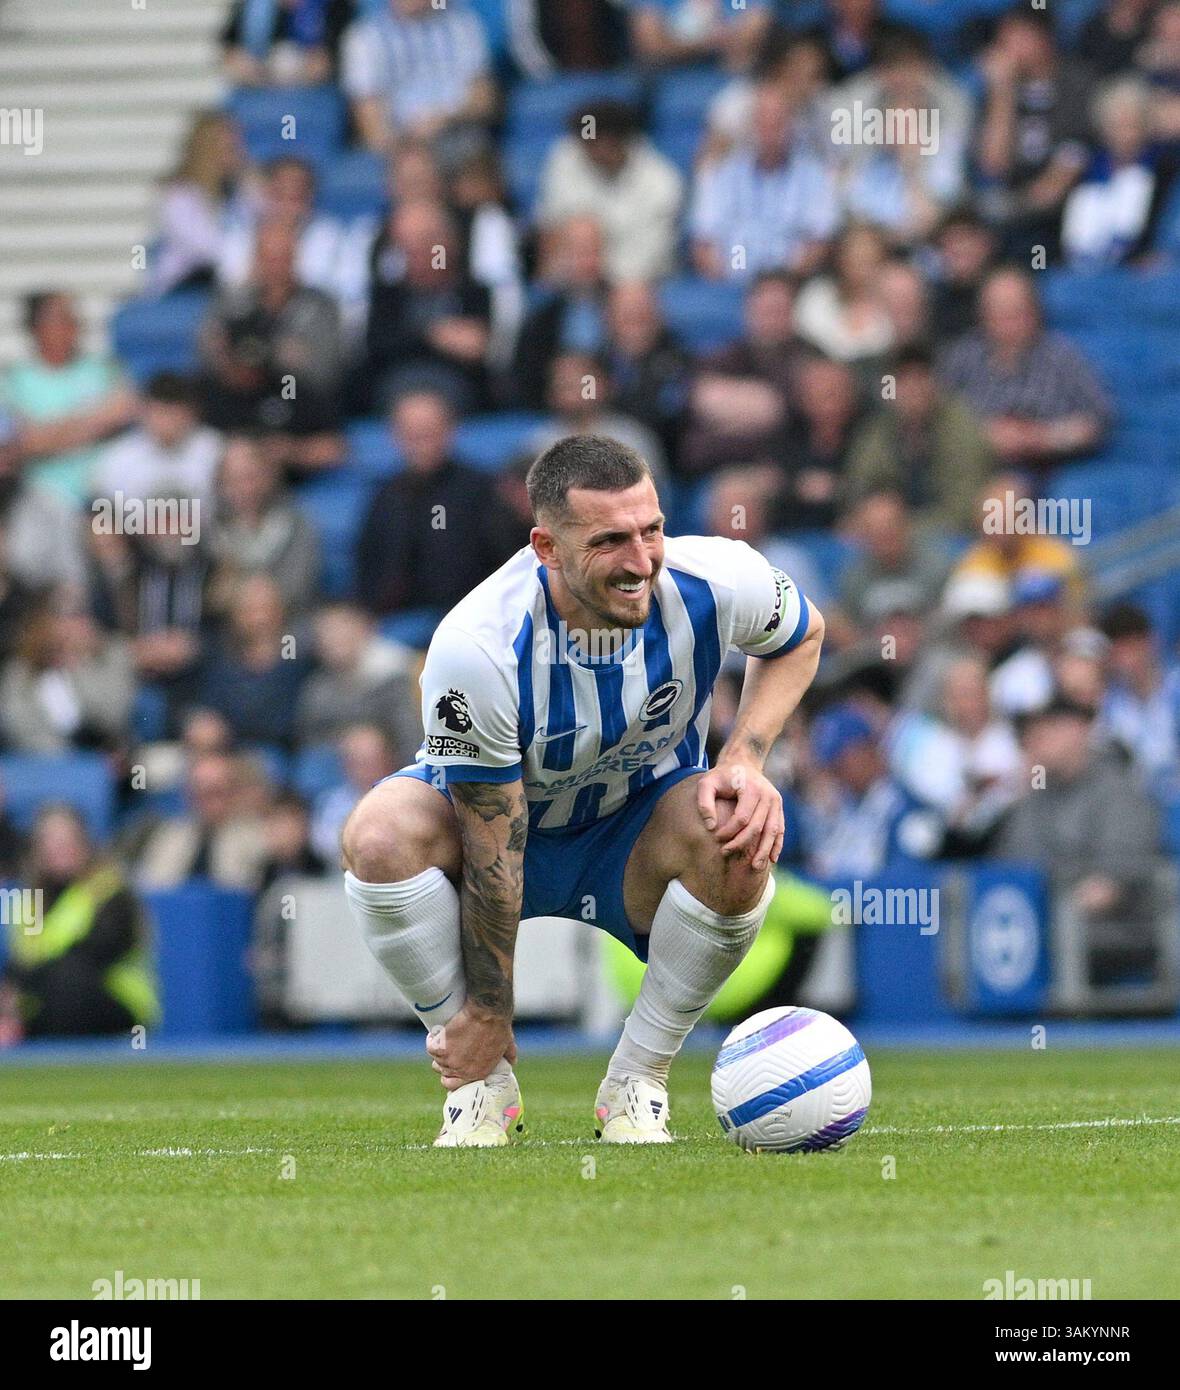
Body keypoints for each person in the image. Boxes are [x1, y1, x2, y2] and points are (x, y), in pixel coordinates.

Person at [341, 433, 824, 1145]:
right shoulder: (477, 644)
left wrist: (745, 759)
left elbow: (801, 636)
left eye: (651, 529)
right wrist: (487, 1008)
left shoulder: (718, 579)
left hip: (634, 832)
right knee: (378, 836)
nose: (641, 562)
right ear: (546, 548)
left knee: (736, 829)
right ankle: (479, 1087)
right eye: (609, 542)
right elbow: (493, 846)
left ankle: (638, 1081)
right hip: (501, 833)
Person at [354, 391, 511, 630]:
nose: (420, 442)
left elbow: (504, 566)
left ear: (450, 430)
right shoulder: (386, 494)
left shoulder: (483, 490)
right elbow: (368, 565)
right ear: (395, 436)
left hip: (473, 622)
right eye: (411, 434)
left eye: (428, 432)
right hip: (391, 625)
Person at [0, 806, 158, 1043]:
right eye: (50, 841)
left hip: (113, 1005)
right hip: (44, 1004)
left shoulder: (111, 892)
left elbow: (94, 952)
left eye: (67, 840)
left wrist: (26, 981)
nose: (59, 849)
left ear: (85, 842)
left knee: (70, 981)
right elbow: (19, 962)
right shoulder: (27, 903)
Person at [939, 268, 1112, 472]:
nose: (1006, 325)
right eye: (997, 315)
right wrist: (982, 435)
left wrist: (1042, 437)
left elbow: (1099, 420)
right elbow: (934, 421)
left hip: (1045, 470)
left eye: (1015, 314)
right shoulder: (962, 358)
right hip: (972, 468)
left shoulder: (1062, 356)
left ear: (1034, 312)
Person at [0, 292, 138, 507]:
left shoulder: (103, 369)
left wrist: (50, 433)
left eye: (73, 319)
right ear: (35, 327)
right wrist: (98, 419)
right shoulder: (13, 379)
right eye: (60, 319)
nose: (71, 326)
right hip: (40, 494)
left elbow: (124, 411)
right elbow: (23, 443)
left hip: (104, 495)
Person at [689, 83, 838, 281]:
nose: (769, 133)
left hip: (789, 280)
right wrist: (732, 280)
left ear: (792, 126)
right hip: (734, 275)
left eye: (778, 124)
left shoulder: (815, 176)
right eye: (762, 123)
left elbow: (820, 243)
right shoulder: (722, 173)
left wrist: (781, 282)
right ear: (750, 126)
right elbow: (703, 242)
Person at [844, 345, 995, 534]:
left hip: (950, 535)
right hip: (887, 538)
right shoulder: (880, 429)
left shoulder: (961, 427)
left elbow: (963, 509)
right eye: (904, 381)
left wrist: (900, 529)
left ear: (934, 384)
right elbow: (858, 489)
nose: (912, 390)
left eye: (920, 380)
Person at [535, 100, 684, 282]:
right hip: (571, 276)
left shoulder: (661, 182)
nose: (585, 149)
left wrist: (600, 269)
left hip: (640, 281)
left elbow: (653, 254)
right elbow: (550, 224)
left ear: (616, 142)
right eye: (584, 141)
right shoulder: (568, 155)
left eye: (594, 142)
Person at [341, 0, 496, 156]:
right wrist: (411, 144)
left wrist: (446, 121)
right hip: (402, 149)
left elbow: (484, 102)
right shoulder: (364, 36)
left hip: (461, 136)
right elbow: (372, 129)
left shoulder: (462, 21)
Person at [150, 110, 245, 296]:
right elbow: (203, 248)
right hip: (187, 285)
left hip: (227, 281)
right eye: (229, 148)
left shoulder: (240, 191)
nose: (237, 154)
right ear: (208, 150)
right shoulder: (178, 196)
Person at [92, 373, 222, 507]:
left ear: (191, 414)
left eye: (174, 414)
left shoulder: (214, 449)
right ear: (143, 413)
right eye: (160, 413)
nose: (167, 422)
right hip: (132, 527)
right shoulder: (118, 458)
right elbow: (98, 517)